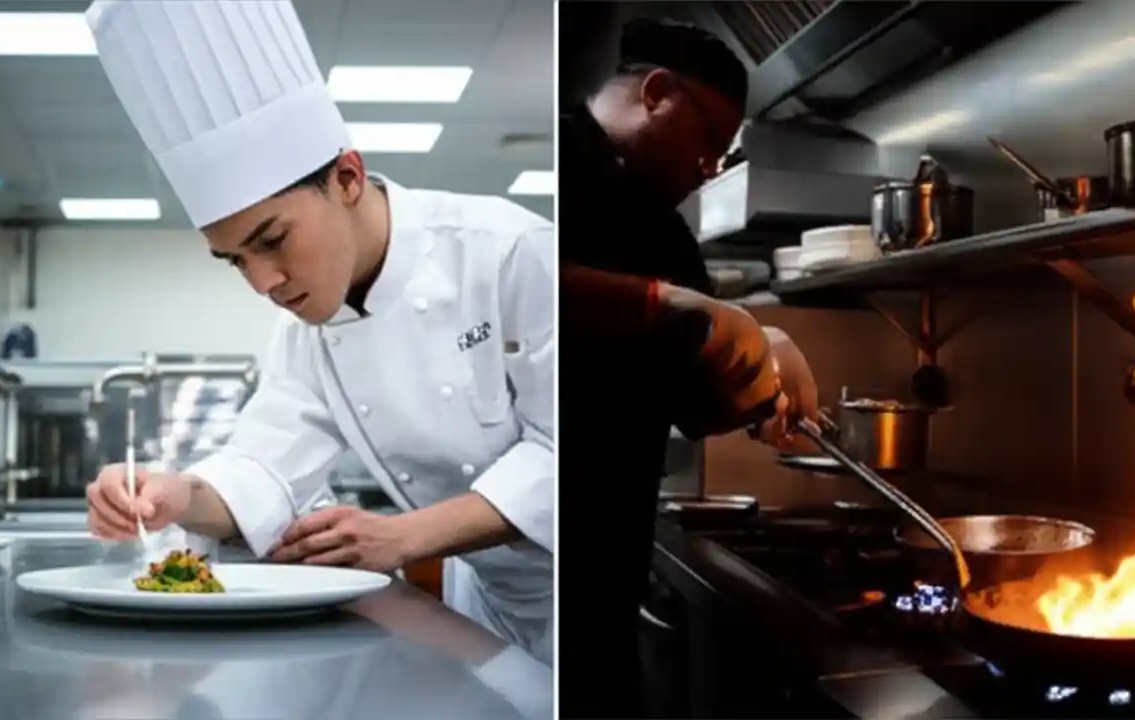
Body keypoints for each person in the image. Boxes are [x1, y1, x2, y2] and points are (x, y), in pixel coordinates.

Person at [81, 0, 554, 665]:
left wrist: (404, 536)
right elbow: (264, 469)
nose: (262, 282)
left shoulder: (510, 251)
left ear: (348, 178)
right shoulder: (308, 327)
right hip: (488, 605)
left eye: (272, 241)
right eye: (234, 261)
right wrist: (175, 495)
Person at [558, 17, 819, 718]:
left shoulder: (665, 231)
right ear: (656, 92)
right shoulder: (561, 159)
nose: (710, 168)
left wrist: (760, 385)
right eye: (710, 141)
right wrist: (665, 303)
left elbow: (694, 404)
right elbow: (533, 288)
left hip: (613, 547)